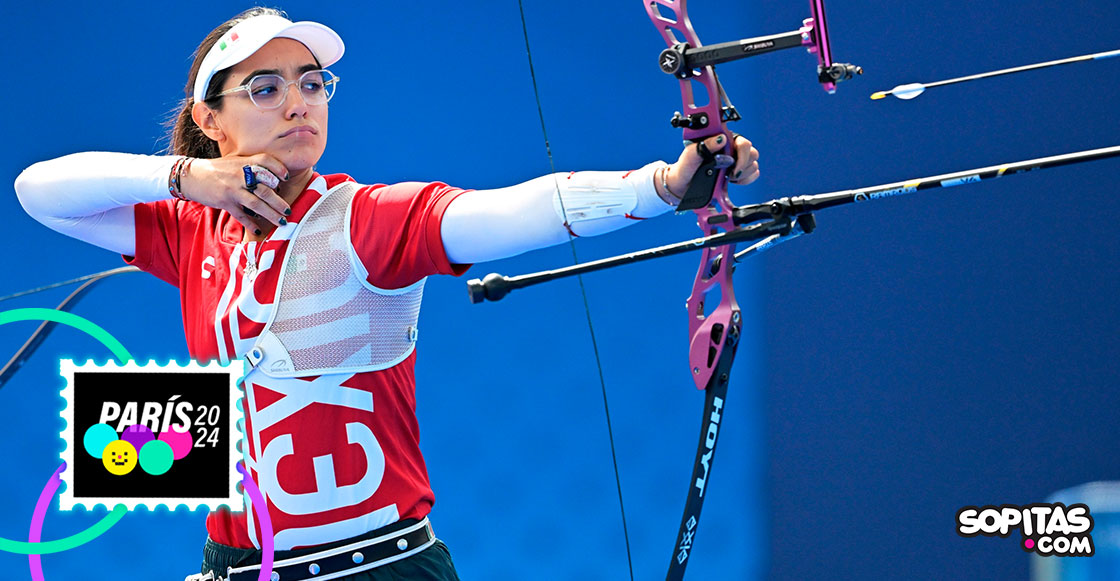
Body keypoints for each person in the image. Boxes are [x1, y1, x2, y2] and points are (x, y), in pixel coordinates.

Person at [14, 7, 760, 581]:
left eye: (312, 84)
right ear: (209, 121)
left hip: (380, 567)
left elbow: (511, 211)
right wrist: (184, 177)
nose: (298, 103)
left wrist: (664, 186)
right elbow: (37, 191)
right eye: (265, 88)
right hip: (238, 567)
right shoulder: (191, 229)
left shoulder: (367, 219)